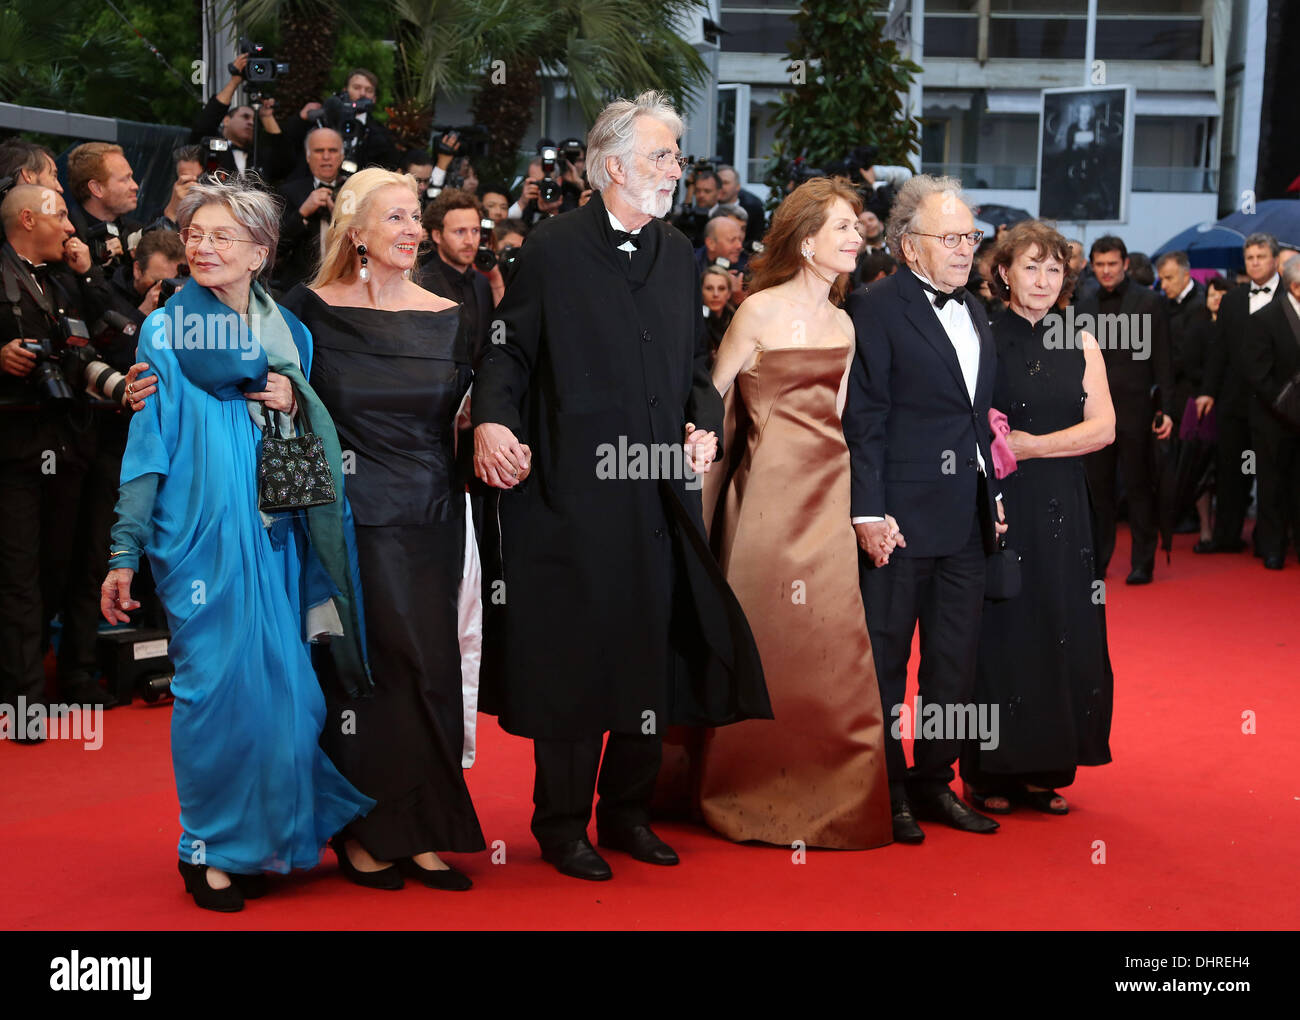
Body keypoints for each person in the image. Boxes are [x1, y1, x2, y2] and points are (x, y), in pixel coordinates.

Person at [470, 90, 769, 882]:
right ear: (613, 167)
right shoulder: (550, 249)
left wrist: (702, 422)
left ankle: (628, 813)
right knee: (572, 657)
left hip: (659, 497)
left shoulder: (680, 255)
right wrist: (493, 425)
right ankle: (562, 824)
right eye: (663, 155)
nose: (677, 168)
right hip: (570, 491)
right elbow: (507, 352)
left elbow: (694, 369)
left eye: (675, 156)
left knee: (649, 651)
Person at [99, 177, 374, 911]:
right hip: (199, 545)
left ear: (260, 252)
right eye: (194, 235)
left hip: (279, 539)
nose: (202, 247)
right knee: (213, 698)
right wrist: (124, 550)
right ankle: (206, 847)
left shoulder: (292, 334)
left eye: (222, 236)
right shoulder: (164, 330)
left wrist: (294, 400)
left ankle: (272, 835)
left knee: (289, 699)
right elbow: (147, 446)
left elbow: (307, 429)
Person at [281, 167, 486, 890]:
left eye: (415, 217)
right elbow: (282, 399)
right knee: (366, 669)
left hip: (433, 511)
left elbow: (474, 407)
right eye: (394, 218)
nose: (411, 231)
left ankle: (424, 828)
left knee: (431, 665)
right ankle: (366, 831)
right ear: (356, 232)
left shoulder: (450, 310)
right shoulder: (307, 310)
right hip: (348, 518)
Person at [697, 177, 892, 849]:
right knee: (764, 638)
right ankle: (738, 782)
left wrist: (869, 507)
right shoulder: (758, 311)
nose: (855, 236)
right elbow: (714, 406)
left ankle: (833, 795)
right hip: (765, 503)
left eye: (856, 226)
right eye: (841, 227)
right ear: (807, 242)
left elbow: (839, 421)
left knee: (832, 647)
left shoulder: (844, 323)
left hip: (828, 497)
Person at [842, 174, 1006, 844]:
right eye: (953, 237)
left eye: (971, 236)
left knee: (952, 663)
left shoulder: (974, 309)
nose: (967, 248)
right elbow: (866, 418)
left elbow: (976, 419)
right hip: (899, 521)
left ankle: (937, 781)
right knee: (885, 663)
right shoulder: (875, 308)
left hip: (966, 517)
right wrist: (869, 511)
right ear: (912, 249)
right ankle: (889, 789)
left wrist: (990, 493)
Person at [960, 220, 1116, 815]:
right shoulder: (982, 333)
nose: (1044, 279)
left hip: (1063, 504)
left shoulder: (1080, 337)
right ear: (1003, 273)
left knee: (1063, 624)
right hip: (996, 501)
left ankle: (1047, 768)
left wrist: (1034, 446)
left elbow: (1104, 428)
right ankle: (988, 771)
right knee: (1000, 631)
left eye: (1054, 269)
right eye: (1031, 266)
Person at [0, 184, 133, 729]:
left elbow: (85, 356)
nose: (72, 228)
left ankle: (46, 682)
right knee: (17, 577)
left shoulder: (63, 281)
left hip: (68, 446)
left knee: (57, 567)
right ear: (28, 219)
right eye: (61, 217)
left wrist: (127, 389)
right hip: (13, 449)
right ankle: (24, 703)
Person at [1078, 235, 1174, 584]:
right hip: (1093, 412)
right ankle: (1097, 562)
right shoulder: (1084, 302)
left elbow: (1164, 358)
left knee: (1138, 486)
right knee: (1098, 491)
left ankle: (1143, 561)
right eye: (1100, 264)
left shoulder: (1150, 302)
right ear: (1091, 265)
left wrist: (1167, 409)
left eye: (1112, 264)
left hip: (1136, 409)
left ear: (1125, 264)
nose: (1106, 271)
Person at [1198, 233, 1284, 555]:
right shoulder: (1233, 298)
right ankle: (1227, 535)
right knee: (1231, 469)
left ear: (1275, 260)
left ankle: (1269, 541)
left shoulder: (1291, 296)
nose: (1255, 262)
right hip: (1234, 399)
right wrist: (1207, 391)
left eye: (1261, 256)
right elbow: (1219, 350)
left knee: (1272, 472)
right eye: (1250, 258)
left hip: (1274, 400)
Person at [1240, 255, 1300, 568]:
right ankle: (1273, 547)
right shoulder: (1265, 319)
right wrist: (1287, 408)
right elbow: (1257, 373)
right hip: (1274, 418)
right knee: (1272, 484)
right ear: (1295, 286)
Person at [417, 189, 496, 361]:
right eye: (460, 232)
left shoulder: (483, 283)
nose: (470, 241)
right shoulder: (419, 284)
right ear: (437, 235)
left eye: (475, 231)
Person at [188, 52, 291, 182]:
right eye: (245, 117)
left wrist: (266, 116)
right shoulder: (210, 148)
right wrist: (234, 81)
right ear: (226, 120)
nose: (251, 123)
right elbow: (203, 126)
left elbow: (285, 162)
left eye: (254, 120)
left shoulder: (259, 155)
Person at [275, 127, 346, 290]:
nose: (326, 156)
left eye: (333, 150)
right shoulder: (289, 191)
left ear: (342, 156)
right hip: (300, 287)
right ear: (308, 156)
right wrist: (302, 213)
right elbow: (276, 248)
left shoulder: (355, 190)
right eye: (319, 151)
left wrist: (339, 216)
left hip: (345, 284)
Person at [65, 143, 142, 269]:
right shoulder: (67, 238)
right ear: (96, 188)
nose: (135, 186)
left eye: (131, 177)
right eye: (125, 179)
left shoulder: (137, 231)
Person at [716, 164, 766, 246]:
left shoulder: (753, 209)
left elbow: (756, 241)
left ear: (738, 187)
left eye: (725, 183)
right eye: (718, 183)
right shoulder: (707, 205)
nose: (721, 187)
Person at [700, 265, 733, 354]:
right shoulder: (694, 323)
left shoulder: (737, 319)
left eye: (721, 288)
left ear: (729, 293)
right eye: (709, 288)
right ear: (700, 291)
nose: (715, 294)